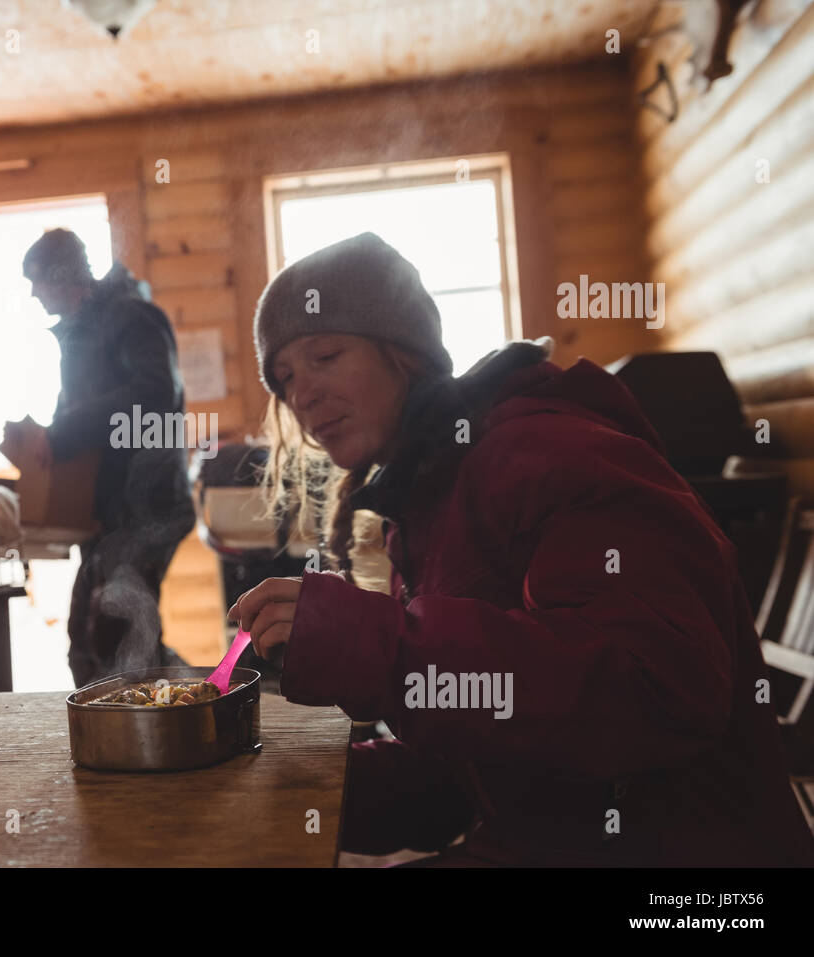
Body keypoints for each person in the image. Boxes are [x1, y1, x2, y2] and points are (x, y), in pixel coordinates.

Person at [229, 231, 814, 866]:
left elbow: (653, 686)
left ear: (406, 352)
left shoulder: (548, 454)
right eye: (284, 378)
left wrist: (373, 643)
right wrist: (289, 788)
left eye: (326, 355)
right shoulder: (425, 504)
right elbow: (470, 771)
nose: (303, 394)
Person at [16, 228, 195, 688]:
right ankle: (181, 701)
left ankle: (186, 711)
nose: (33, 292)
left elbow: (156, 393)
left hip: (148, 505)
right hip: (108, 515)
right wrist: (49, 441)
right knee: (86, 638)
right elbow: (74, 415)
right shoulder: (78, 336)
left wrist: (64, 432)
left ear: (62, 275)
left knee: (117, 631)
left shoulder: (132, 318)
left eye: (37, 280)